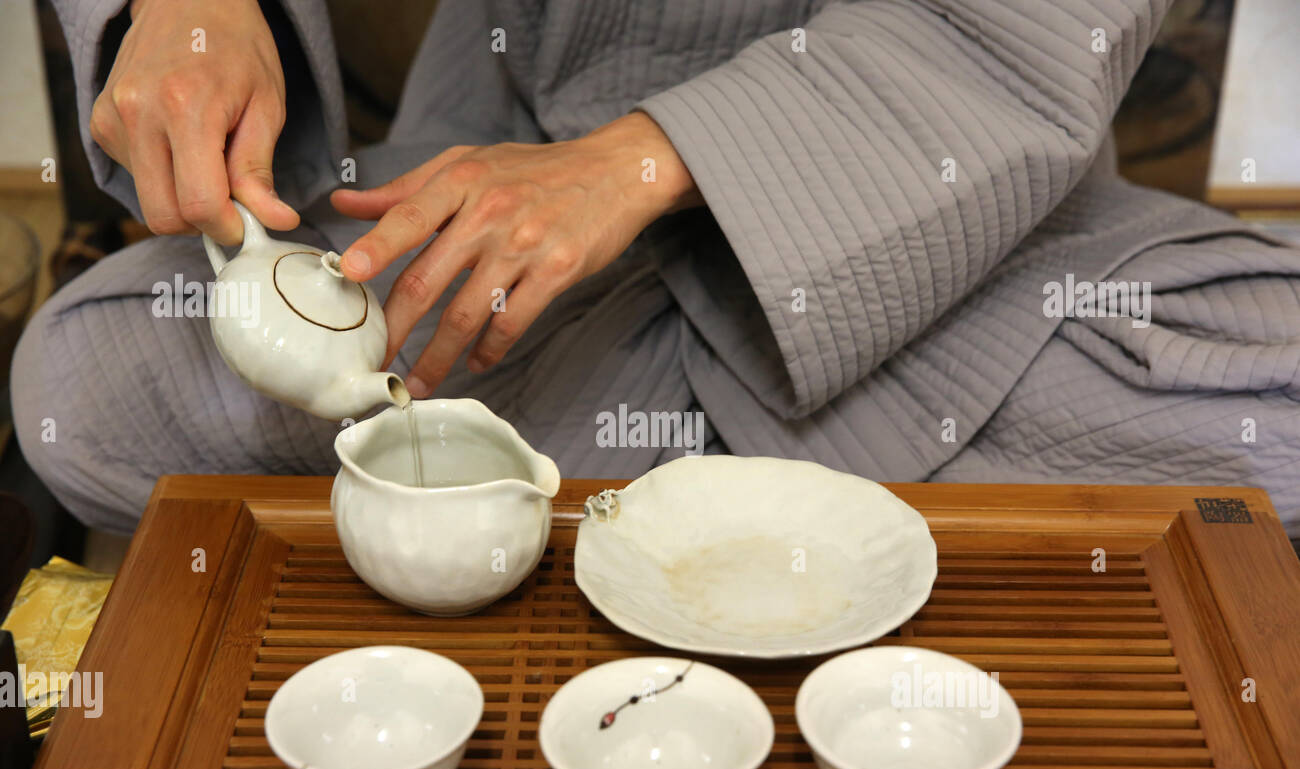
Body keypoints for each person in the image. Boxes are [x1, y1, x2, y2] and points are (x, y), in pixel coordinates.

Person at [13, 0, 1300, 539]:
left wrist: (651, 164)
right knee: (84, 377)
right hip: (509, 167)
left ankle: (602, 465)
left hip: (921, 193)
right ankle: (794, 465)